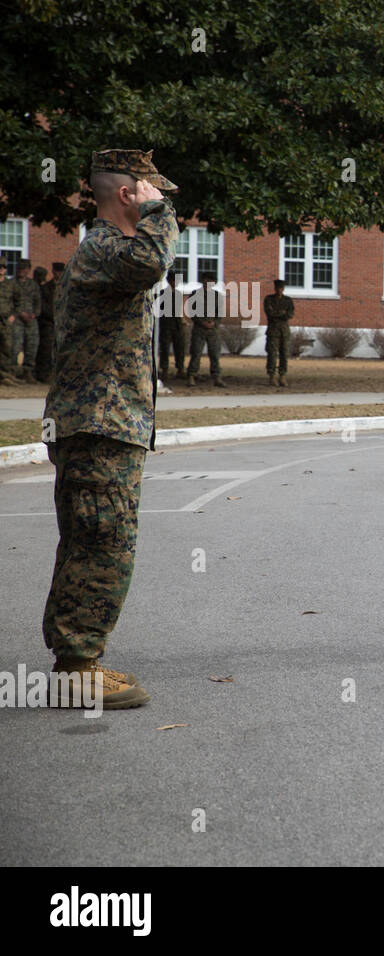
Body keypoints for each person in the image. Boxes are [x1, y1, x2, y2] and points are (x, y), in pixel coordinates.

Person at [43, 148, 180, 709]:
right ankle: (76, 668)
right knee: (104, 545)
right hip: (99, 427)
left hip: (103, 424)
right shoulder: (106, 248)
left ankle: (77, 661)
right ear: (128, 193)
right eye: (153, 191)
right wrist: (159, 216)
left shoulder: (108, 251)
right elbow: (153, 263)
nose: (162, 200)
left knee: (90, 542)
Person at [186, 272, 225, 387]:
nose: (208, 283)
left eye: (211, 281)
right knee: (196, 353)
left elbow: (220, 313)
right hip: (199, 329)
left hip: (213, 330)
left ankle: (216, 377)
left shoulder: (217, 296)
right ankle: (192, 375)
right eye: (206, 280)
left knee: (215, 354)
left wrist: (214, 323)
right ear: (202, 281)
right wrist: (202, 322)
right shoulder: (195, 294)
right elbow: (191, 311)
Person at [10, 259, 41, 381]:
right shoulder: (11, 283)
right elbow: (8, 301)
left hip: (31, 320)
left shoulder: (33, 285)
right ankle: (12, 372)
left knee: (32, 346)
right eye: (20, 268)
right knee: (15, 345)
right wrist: (20, 313)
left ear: (28, 269)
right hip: (17, 319)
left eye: (24, 269)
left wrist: (34, 314)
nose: (21, 271)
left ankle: (28, 372)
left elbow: (38, 302)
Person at [263, 278, 295, 387]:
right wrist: (281, 313)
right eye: (277, 288)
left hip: (284, 331)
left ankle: (282, 375)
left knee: (284, 354)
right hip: (273, 331)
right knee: (272, 354)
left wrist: (279, 314)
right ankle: (272, 375)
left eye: (281, 288)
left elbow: (290, 314)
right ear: (275, 288)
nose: (279, 290)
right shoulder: (269, 299)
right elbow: (269, 313)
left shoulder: (288, 300)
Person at [156, 270, 187, 380]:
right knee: (165, 348)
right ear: (169, 280)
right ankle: (164, 370)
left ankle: (180, 369)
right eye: (175, 280)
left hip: (177, 324)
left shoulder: (179, 294)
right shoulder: (163, 293)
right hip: (166, 324)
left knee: (180, 347)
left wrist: (183, 320)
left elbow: (179, 309)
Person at [34, 263, 61, 383]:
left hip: (62, 324)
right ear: (53, 272)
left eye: (61, 271)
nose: (58, 274)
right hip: (48, 323)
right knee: (46, 349)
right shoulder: (45, 288)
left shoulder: (67, 287)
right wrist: (54, 317)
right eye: (56, 271)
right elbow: (43, 306)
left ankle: (56, 374)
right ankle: (43, 374)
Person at [0, 262, 17, 386]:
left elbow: (19, 300)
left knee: (6, 347)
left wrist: (14, 315)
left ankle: (5, 375)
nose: (1, 270)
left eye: (3, 267)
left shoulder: (10, 284)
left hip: (5, 321)